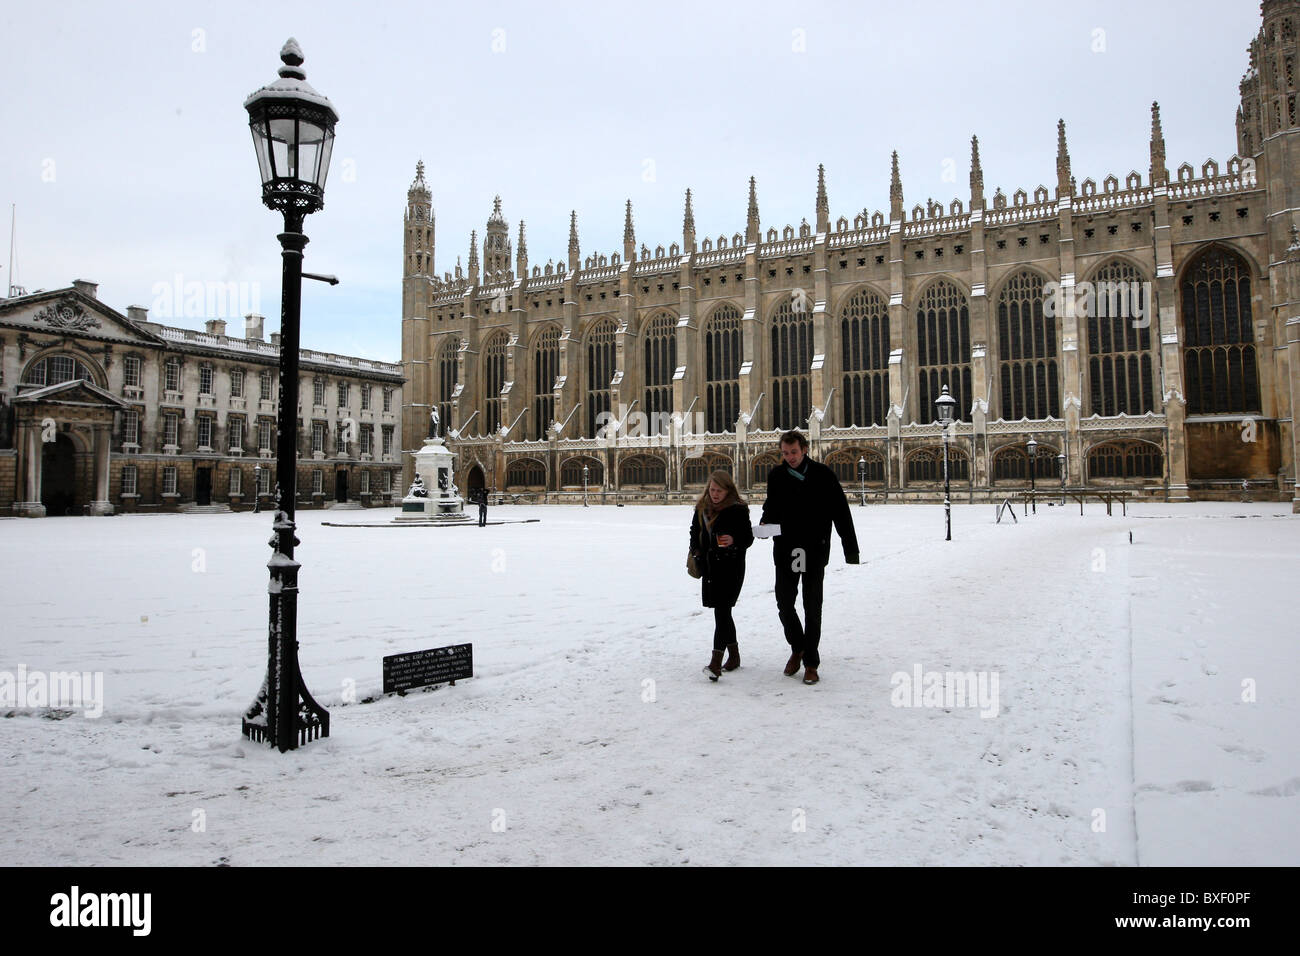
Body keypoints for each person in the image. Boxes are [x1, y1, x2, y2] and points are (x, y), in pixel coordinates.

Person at [758, 430, 859, 685]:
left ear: (804, 449)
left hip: (813, 549)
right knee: (784, 602)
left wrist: (851, 549)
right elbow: (771, 505)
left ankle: (811, 662)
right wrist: (765, 523)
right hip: (787, 549)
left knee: (812, 607)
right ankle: (798, 647)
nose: (789, 457)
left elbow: (841, 511)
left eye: (793, 452)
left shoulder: (823, 474)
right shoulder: (777, 475)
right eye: (785, 453)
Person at [690, 470, 754, 681]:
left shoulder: (738, 510)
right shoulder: (702, 508)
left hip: (731, 567)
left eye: (719, 490)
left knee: (722, 611)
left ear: (728, 490)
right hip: (709, 566)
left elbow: (747, 538)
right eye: (712, 490)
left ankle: (715, 663)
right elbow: (694, 532)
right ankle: (734, 656)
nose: (715, 494)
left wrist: (733, 539)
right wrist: (697, 551)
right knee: (722, 611)